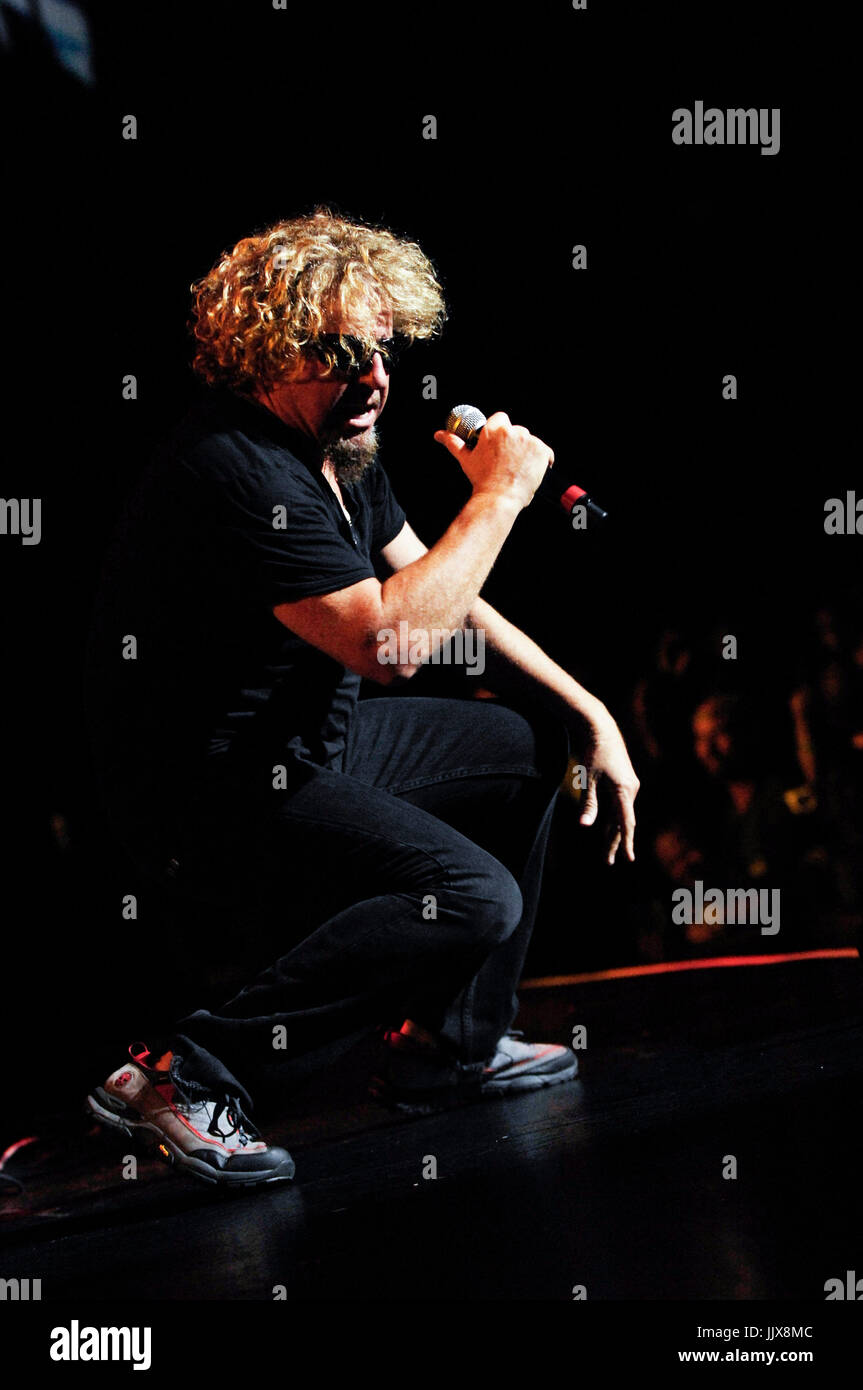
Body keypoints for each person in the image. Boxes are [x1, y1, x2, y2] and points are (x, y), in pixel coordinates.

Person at [83, 209, 639, 1187]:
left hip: (306, 742)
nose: (373, 375)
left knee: (530, 744)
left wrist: (587, 709)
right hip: (206, 792)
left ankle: (448, 1048)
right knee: (473, 895)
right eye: (339, 353)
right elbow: (392, 641)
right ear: (265, 348)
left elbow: (440, 595)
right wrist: (499, 497)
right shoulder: (237, 468)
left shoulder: (339, 452)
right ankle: (184, 1071)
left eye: (378, 347)